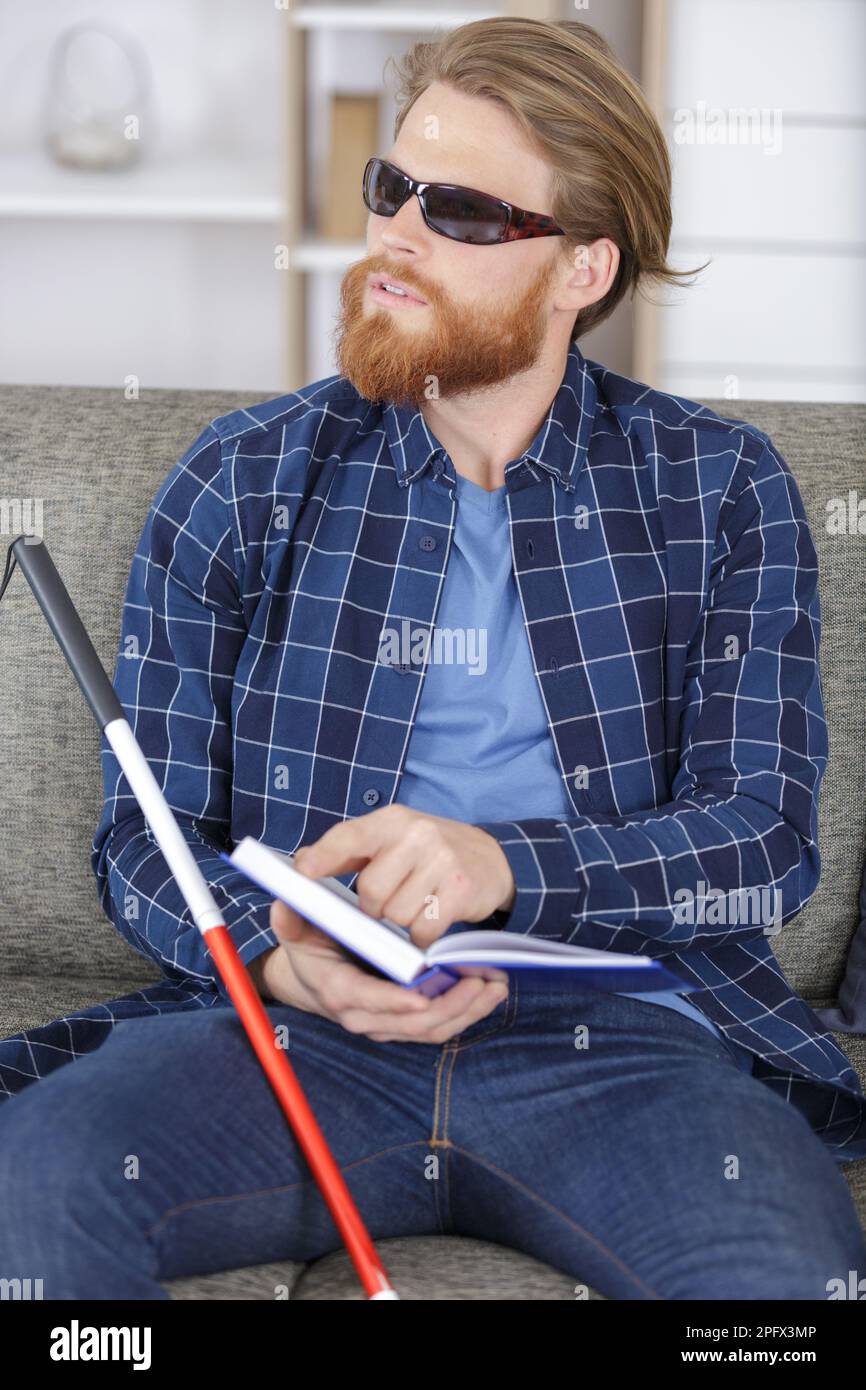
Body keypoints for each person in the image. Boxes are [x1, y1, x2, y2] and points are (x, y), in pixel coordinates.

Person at [1, 17, 864, 1301]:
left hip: (621, 1047)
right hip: (292, 1031)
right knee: (40, 1193)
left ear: (581, 269)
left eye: (458, 212)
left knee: (781, 1287)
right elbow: (146, 839)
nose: (394, 236)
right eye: (390, 189)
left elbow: (763, 841)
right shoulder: (239, 480)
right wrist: (280, 952)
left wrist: (504, 866)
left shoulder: (721, 487)